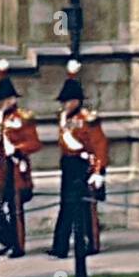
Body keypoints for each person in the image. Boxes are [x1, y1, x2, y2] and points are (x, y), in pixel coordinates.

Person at [47, 60, 109, 259]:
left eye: (68, 101)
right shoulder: (64, 119)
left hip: (84, 165)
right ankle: (60, 245)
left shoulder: (87, 119)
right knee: (66, 204)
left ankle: (92, 243)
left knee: (85, 207)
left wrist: (98, 171)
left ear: (76, 101)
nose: (65, 105)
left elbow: (100, 145)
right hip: (69, 164)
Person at [0, 59, 42, 259]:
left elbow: (34, 143)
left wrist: (17, 150)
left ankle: (18, 245)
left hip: (16, 167)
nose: (5, 102)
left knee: (16, 208)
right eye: (2, 99)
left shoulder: (23, 118)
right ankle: (7, 240)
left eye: (8, 98)